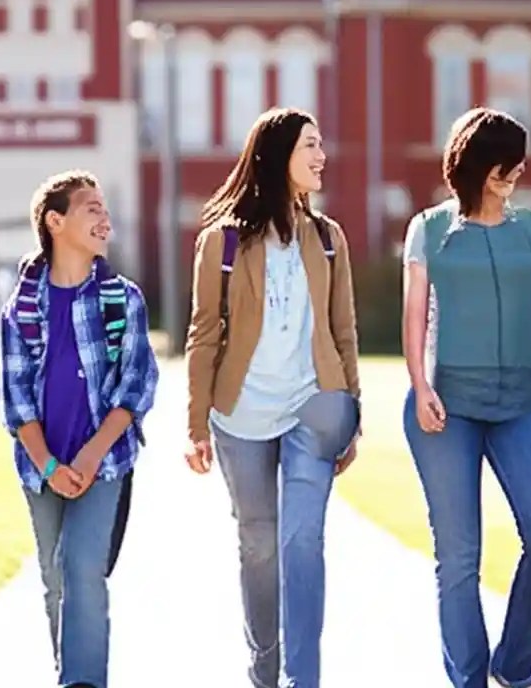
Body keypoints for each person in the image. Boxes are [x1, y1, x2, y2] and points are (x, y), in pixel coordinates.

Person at [401, 107, 531, 688]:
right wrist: (420, 386)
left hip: (525, 404)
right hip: (446, 408)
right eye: (503, 168)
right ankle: (470, 680)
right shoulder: (428, 230)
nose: (513, 178)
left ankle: (515, 665)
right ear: (475, 167)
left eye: (517, 168)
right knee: (458, 560)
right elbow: (414, 317)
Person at [184, 107, 361, 688]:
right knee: (258, 545)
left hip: (313, 407)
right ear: (277, 155)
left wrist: (351, 411)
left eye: (321, 143)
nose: (321, 155)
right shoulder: (223, 242)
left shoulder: (329, 238)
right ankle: (265, 669)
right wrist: (196, 425)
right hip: (241, 415)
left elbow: (344, 330)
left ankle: (301, 678)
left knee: (302, 540)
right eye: (309, 145)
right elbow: (204, 333)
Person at [0, 169, 160, 688]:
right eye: (92, 207)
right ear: (55, 221)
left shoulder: (122, 299)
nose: (104, 217)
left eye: (106, 209)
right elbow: (15, 398)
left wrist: (90, 457)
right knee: (54, 578)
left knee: (83, 569)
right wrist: (48, 463)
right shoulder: (22, 307)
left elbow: (136, 386)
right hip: (41, 464)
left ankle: (82, 681)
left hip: (105, 462)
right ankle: (70, 673)